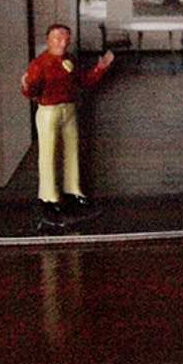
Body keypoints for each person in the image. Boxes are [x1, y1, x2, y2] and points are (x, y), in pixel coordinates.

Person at [21, 23, 115, 229]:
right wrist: (27, 86)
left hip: (69, 110)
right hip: (49, 112)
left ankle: (73, 191)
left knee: (72, 150)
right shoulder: (40, 63)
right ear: (48, 40)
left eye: (65, 38)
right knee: (48, 154)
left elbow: (84, 80)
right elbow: (33, 89)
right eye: (57, 38)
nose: (62, 42)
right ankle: (48, 198)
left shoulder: (70, 59)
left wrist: (101, 67)